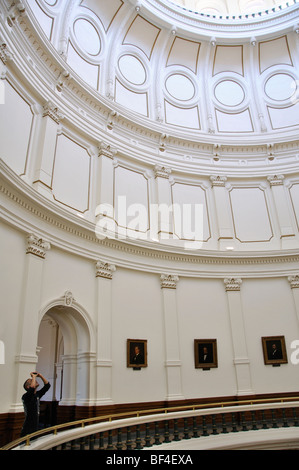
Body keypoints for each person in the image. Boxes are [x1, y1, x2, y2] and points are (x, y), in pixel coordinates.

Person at [20, 372, 51, 437]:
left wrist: (40, 375)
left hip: (35, 425)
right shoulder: (26, 397)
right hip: (27, 427)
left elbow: (47, 386)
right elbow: (32, 388)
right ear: (28, 386)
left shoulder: (37, 395)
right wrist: (33, 376)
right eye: (31, 381)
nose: (35, 380)